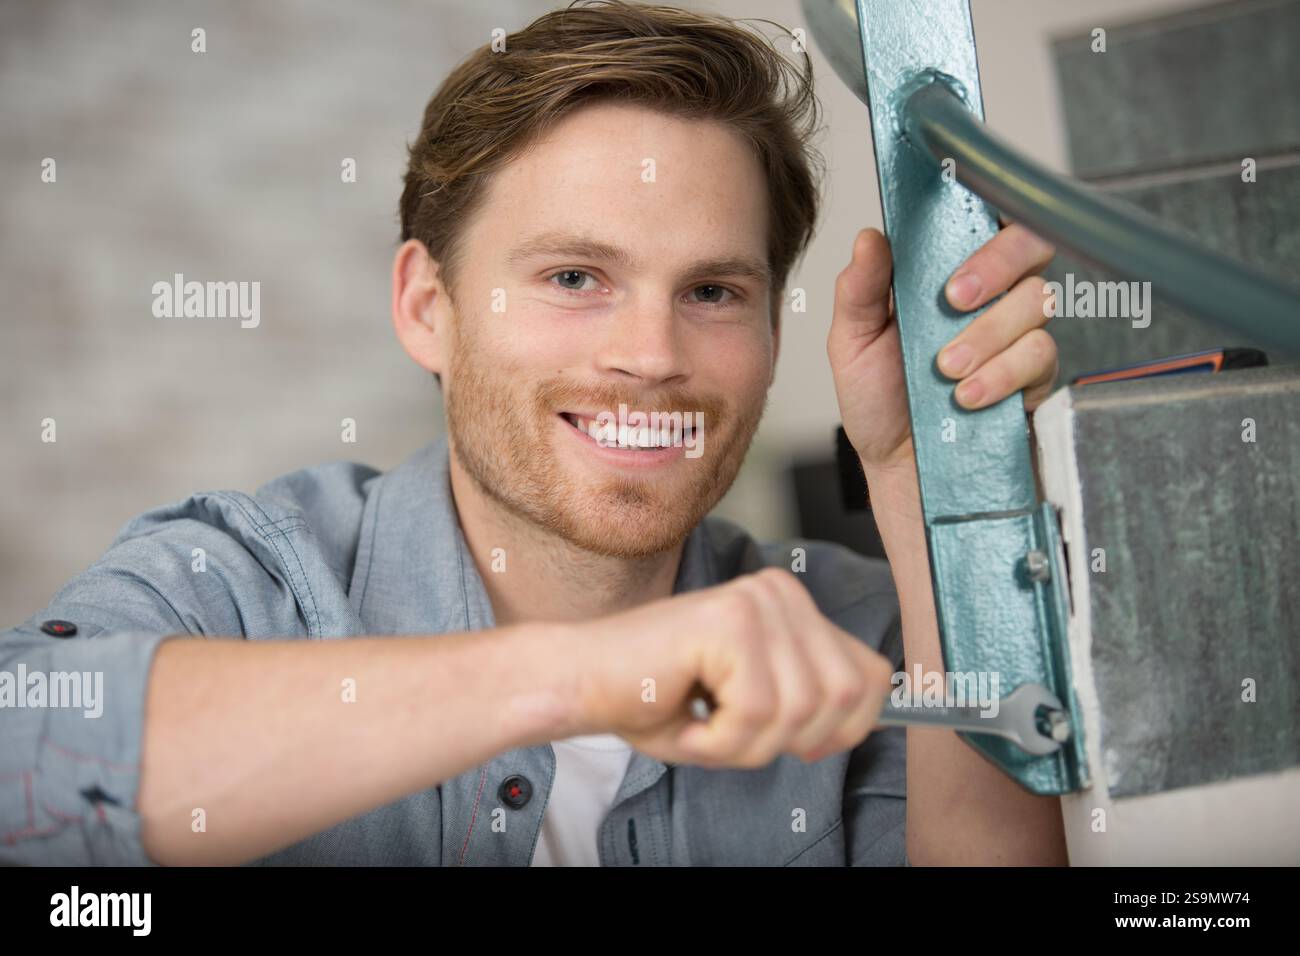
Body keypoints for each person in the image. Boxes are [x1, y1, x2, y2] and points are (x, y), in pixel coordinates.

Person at [0, 0, 1065, 866]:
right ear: (427, 305)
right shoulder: (238, 586)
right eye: (572, 277)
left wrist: (934, 499)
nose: (650, 354)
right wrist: (578, 676)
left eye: (710, 289)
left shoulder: (857, 636)